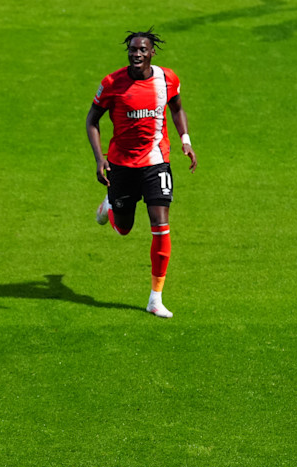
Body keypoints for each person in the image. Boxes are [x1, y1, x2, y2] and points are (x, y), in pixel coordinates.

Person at [86, 29, 198, 318]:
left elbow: (177, 109)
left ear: (152, 53)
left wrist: (185, 141)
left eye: (142, 49)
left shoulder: (167, 79)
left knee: (161, 224)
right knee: (123, 228)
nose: (136, 54)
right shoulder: (112, 83)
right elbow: (92, 121)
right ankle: (109, 205)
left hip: (156, 161)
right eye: (132, 49)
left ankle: (155, 298)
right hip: (121, 164)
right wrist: (100, 159)